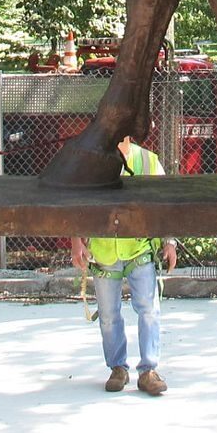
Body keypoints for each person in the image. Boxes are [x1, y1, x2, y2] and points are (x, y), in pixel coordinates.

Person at [69, 136, 178, 395]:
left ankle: (148, 370)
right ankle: (118, 368)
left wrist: (169, 241)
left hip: (138, 248)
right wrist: (76, 240)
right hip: (105, 251)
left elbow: (165, 204)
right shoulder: (92, 163)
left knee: (149, 309)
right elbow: (76, 204)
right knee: (108, 315)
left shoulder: (147, 160)